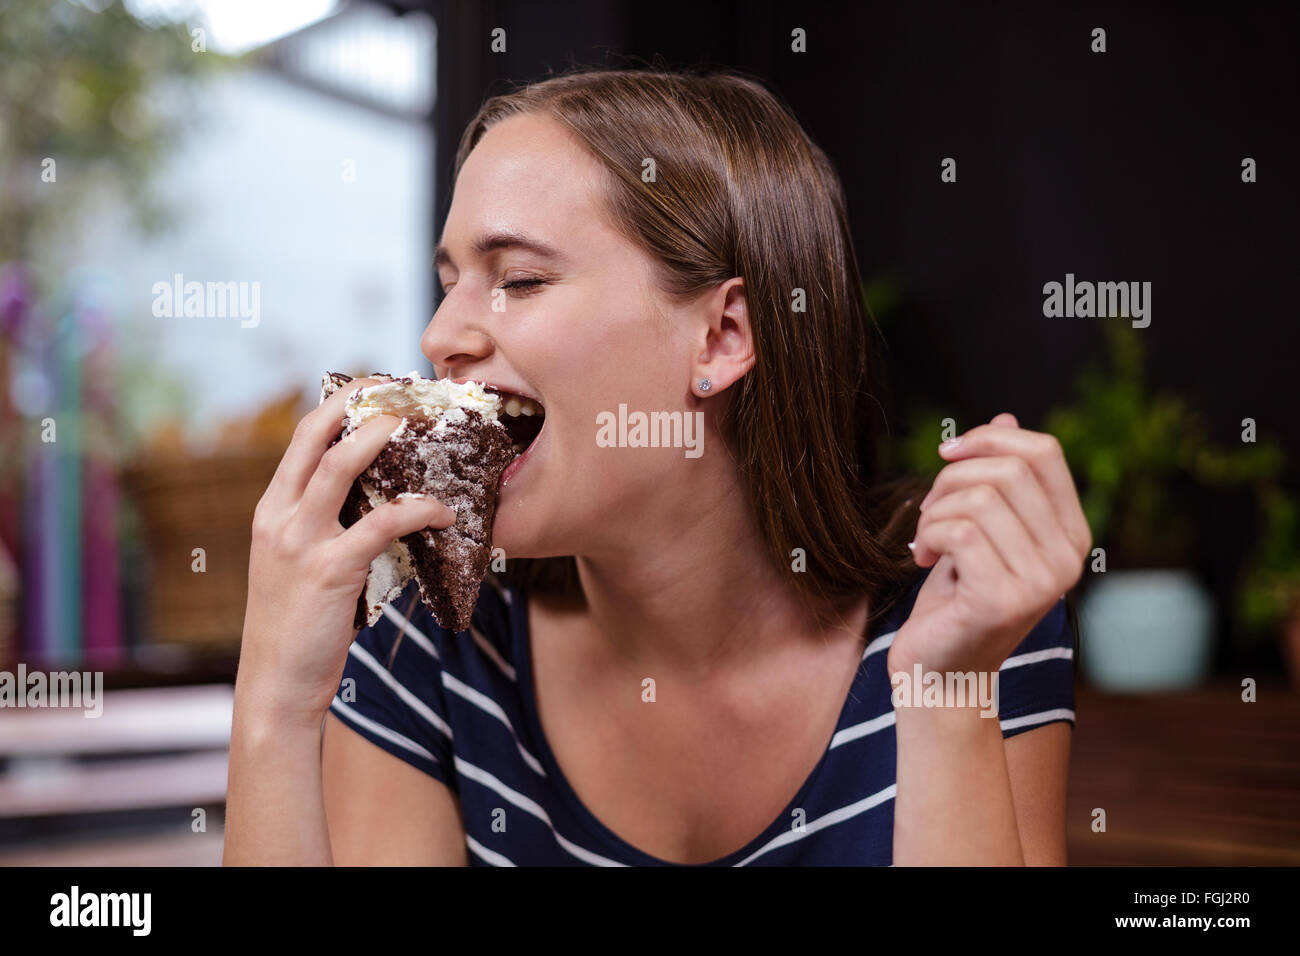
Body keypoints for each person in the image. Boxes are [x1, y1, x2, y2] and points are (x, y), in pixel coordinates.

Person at [223, 67, 1091, 866]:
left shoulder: (963, 616)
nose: (439, 337)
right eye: (450, 281)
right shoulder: (434, 647)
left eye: (518, 279)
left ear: (722, 336)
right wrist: (273, 702)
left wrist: (946, 695)